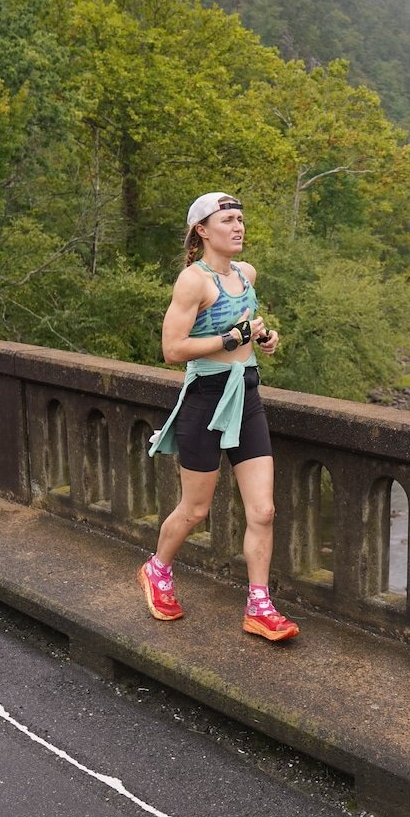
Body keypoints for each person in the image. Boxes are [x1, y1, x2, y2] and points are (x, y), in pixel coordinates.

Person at [137, 191, 298, 642]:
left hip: (246, 395)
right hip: (205, 399)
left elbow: (248, 327)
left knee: (263, 510)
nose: (238, 226)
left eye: (240, 218)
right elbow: (172, 350)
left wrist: (263, 338)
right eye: (227, 219)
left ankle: (259, 605)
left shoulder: (247, 274)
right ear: (202, 231)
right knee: (195, 509)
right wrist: (231, 339)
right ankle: (157, 569)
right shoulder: (193, 281)